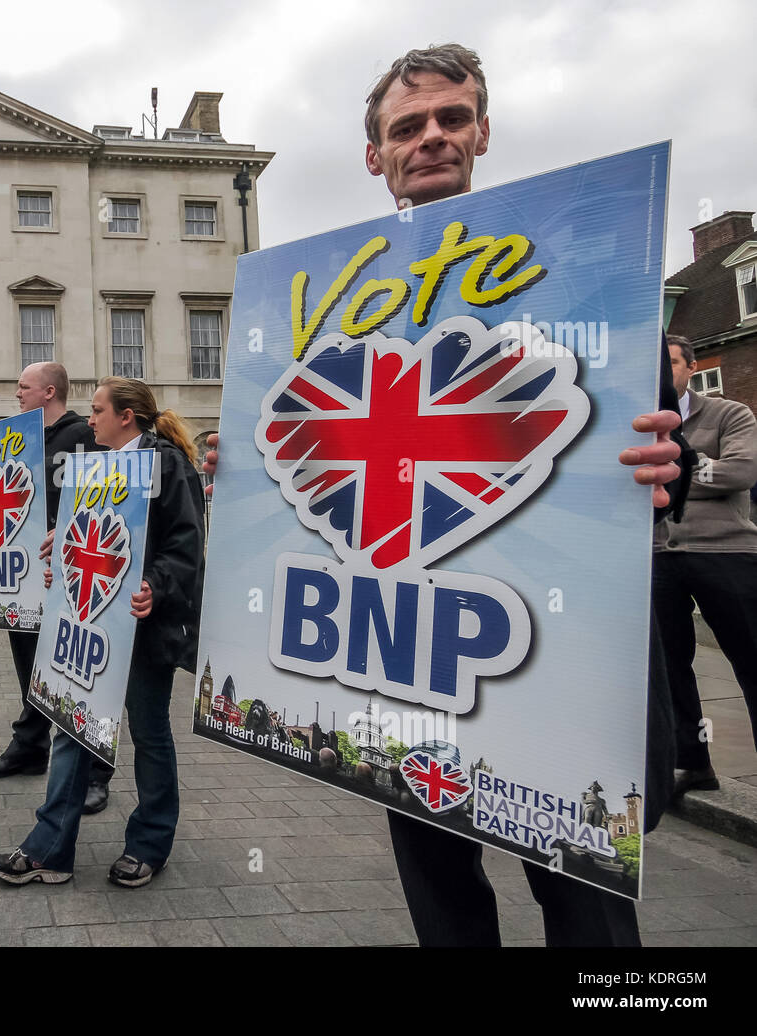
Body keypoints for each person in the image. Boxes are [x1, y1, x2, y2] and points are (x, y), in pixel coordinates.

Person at [201, 43, 687, 946]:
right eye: (406, 127)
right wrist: (239, 466)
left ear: (484, 131)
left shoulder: (586, 274)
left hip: (553, 663)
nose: (431, 138)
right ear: (375, 155)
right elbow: (304, 453)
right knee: (439, 891)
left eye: (451, 119)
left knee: (589, 913)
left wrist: (665, 464)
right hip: (402, 671)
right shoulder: (337, 300)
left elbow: (659, 449)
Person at [0, 377, 206, 888]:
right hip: (86, 622)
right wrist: (59, 542)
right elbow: (94, 533)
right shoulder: (93, 469)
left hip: (141, 627)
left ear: (126, 416)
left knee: (149, 733)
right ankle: (49, 851)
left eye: (99, 410)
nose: (90, 419)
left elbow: (186, 544)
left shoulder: (166, 465)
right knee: (69, 728)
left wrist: (154, 584)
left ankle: (150, 843)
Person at [0, 362, 115, 814]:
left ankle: (94, 770)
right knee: (29, 665)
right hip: (25, 574)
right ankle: (31, 746)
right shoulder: (18, 440)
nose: (17, 393)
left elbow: (111, 497)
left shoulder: (85, 435)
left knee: (78, 670)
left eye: (23, 387)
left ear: (48, 391)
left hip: (75, 573)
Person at [654, 335, 757, 794]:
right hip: (657, 556)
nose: (663, 374)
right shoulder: (637, 425)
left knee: (750, 659)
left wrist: (667, 471)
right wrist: (699, 469)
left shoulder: (729, 414)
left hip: (726, 553)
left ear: (690, 367)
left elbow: (740, 472)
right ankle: (692, 763)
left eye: (671, 364)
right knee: (670, 666)